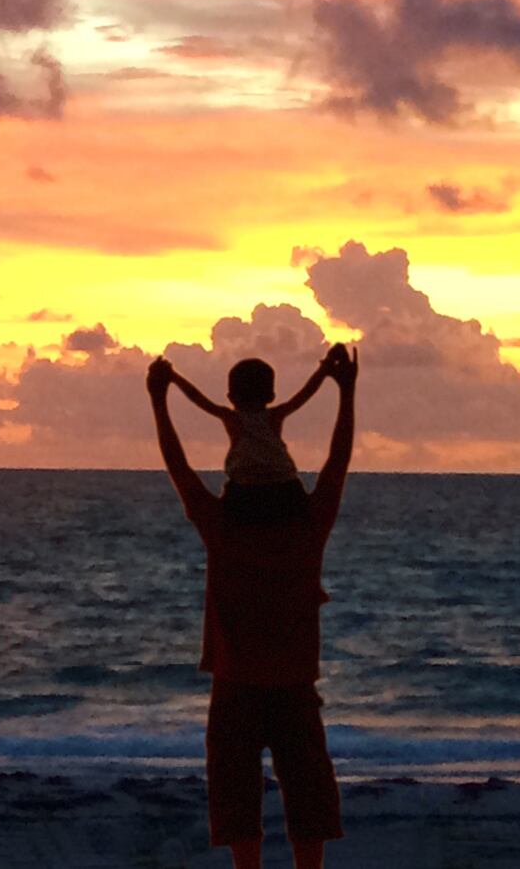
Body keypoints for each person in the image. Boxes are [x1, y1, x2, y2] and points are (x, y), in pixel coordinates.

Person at [149, 342, 359, 869]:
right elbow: (337, 464)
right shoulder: (309, 527)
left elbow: (178, 467)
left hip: (237, 684)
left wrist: (159, 399)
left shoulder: (221, 528)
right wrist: (345, 392)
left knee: (237, 796)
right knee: (308, 795)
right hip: (293, 684)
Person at [169, 351, 337, 498]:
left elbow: (199, 399)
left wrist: (174, 378)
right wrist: (324, 370)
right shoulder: (274, 417)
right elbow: (304, 394)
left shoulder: (233, 419)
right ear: (271, 396)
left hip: (244, 487)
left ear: (231, 397)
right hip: (283, 486)